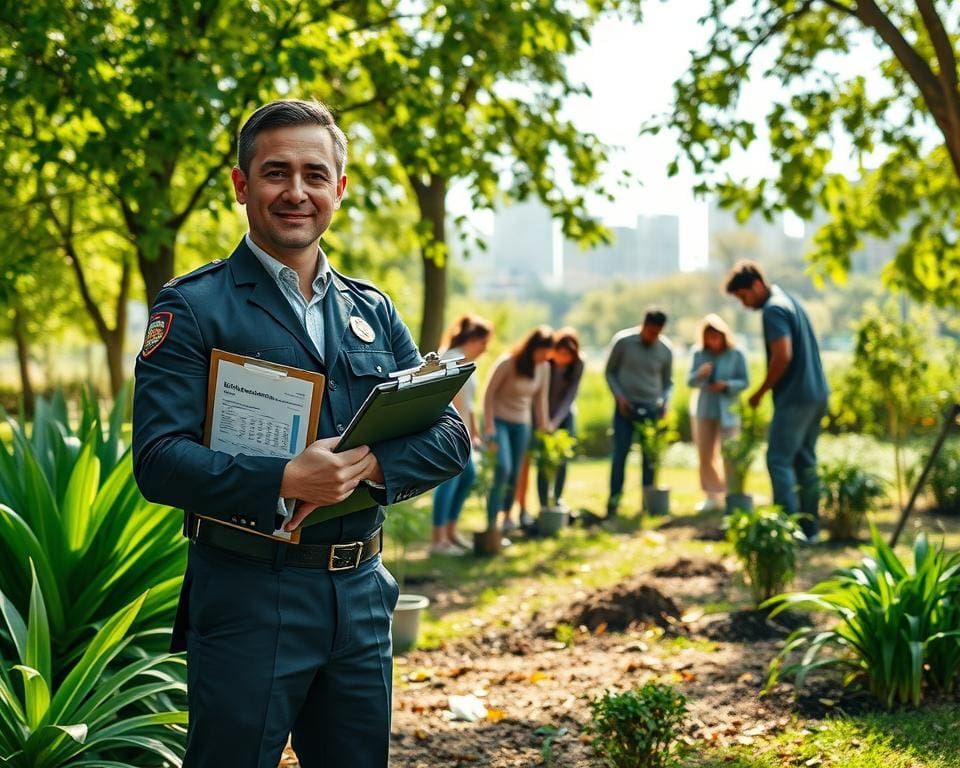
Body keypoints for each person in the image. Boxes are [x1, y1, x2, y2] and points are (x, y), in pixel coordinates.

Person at [132, 99, 470, 768]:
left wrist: (364, 466)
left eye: (315, 175)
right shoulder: (193, 307)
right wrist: (285, 478)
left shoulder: (373, 309)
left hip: (362, 593)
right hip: (247, 594)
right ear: (241, 185)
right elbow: (159, 459)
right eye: (275, 172)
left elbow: (450, 436)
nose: (296, 192)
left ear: (338, 188)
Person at [725, 260, 828, 539]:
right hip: (817, 394)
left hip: (795, 397)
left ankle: (787, 531)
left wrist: (759, 392)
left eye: (744, 297)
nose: (745, 304)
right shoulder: (791, 301)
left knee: (779, 460)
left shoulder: (773, 309)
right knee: (805, 461)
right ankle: (811, 531)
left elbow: (783, 355)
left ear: (757, 285)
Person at [431, 314, 494, 555]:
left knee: (467, 477)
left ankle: (451, 532)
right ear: (474, 339)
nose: (485, 349)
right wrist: (463, 432)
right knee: (448, 482)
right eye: (484, 343)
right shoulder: (451, 360)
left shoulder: (467, 362)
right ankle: (438, 541)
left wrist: (474, 431)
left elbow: (469, 404)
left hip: (464, 432)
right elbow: (450, 402)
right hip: (450, 433)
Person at [482, 326, 553, 535]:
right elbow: (488, 394)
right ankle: (491, 522)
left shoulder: (544, 367)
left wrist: (544, 425)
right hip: (499, 421)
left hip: (523, 424)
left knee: (516, 473)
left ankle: (507, 517)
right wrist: (489, 426)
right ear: (533, 348)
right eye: (543, 351)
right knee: (503, 468)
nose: (546, 356)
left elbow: (541, 399)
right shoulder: (508, 362)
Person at [604, 309, 673, 517]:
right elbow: (610, 372)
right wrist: (620, 397)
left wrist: (664, 401)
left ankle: (647, 504)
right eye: (650, 332)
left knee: (649, 458)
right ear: (643, 325)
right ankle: (614, 501)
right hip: (625, 407)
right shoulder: (623, 342)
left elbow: (668, 383)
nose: (653, 337)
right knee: (620, 455)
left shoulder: (665, 349)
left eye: (657, 333)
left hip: (652, 408)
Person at [686, 314, 749, 511]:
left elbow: (745, 381)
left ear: (723, 335)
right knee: (705, 453)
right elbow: (689, 381)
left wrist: (726, 385)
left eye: (716, 337)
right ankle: (712, 495)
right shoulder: (698, 353)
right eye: (709, 338)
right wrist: (700, 374)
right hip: (704, 410)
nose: (712, 342)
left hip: (728, 410)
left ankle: (732, 493)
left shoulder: (736, 353)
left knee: (730, 453)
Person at [535, 327, 585, 510]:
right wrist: (544, 420)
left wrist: (555, 422)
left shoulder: (578, 365)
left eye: (567, 355)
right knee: (544, 458)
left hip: (564, 415)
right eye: (560, 353)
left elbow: (570, 397)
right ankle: (543, 503)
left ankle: (557, 498)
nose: (563, 358)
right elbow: (539, 395)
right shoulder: (544, 364)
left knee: (562, 457)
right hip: (542, 414)